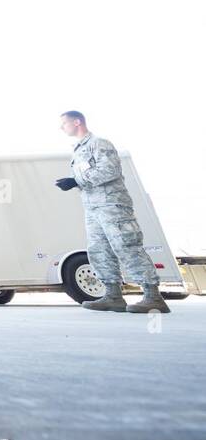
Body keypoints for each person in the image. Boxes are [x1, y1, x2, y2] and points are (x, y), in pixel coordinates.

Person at [56, 111, 168, 313]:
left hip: (112, 205)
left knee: (126, 246)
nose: (61, 127)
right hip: (93, 208)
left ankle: (153, 297)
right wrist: (72, 182)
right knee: (99, 250)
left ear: (77, 121)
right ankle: (113, 295)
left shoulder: (99, 143)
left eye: (63, 123)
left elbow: (110, 170)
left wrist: (76, 181)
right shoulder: (78, 149)